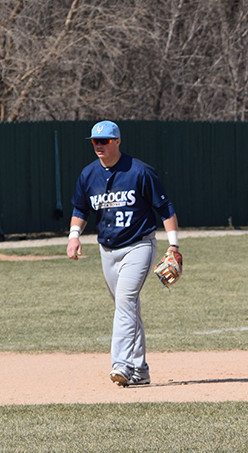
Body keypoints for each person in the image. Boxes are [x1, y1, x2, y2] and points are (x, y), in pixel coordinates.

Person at [67, 120, 181, 387]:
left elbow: (165, 209)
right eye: (95, 141)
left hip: (139, 245)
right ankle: (141, 369)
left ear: (118, 141)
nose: (99, 146)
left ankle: (121, 364)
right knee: (127, 307)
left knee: (125, 301)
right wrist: (74, 237)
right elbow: (80, 209)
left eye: (104, 141)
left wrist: (173, 245)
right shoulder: (88, 175)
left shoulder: (139, 172)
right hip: (107, 250)